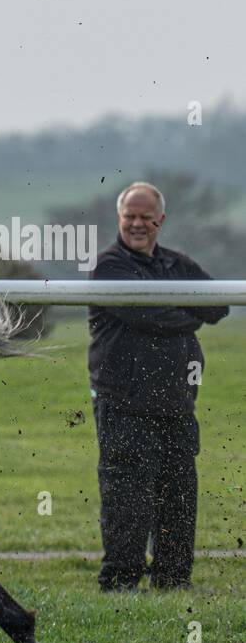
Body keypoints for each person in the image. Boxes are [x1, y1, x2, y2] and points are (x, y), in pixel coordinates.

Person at [87, 181, 229, 591]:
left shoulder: (175, 263)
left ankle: (172, 581)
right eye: (129, 216)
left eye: (145, 218)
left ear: (160, 221)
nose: (136, 224)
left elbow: (218, 305)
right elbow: (152, 316)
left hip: (178, 404)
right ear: (119, 218)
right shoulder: (109, 267)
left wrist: (180, 311)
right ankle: (120, 584)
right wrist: (189, 314)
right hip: (124, 403)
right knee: (126, 499)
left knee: (179, 498)